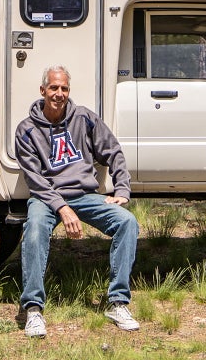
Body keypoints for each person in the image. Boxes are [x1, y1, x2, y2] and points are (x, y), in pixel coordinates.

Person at [15, 65, 140, 338]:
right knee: (34, 230)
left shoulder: (84, 118)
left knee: (127, 222)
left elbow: (113, 151)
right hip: (47, 198)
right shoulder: (26, 130)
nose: (59, 94)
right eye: (53, 88)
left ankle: (118, 302)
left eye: (64, 88)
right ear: (42, 90)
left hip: (84, 195)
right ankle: (33, 309)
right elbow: (35, 179)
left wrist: (123, 189)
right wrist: (62, 207)